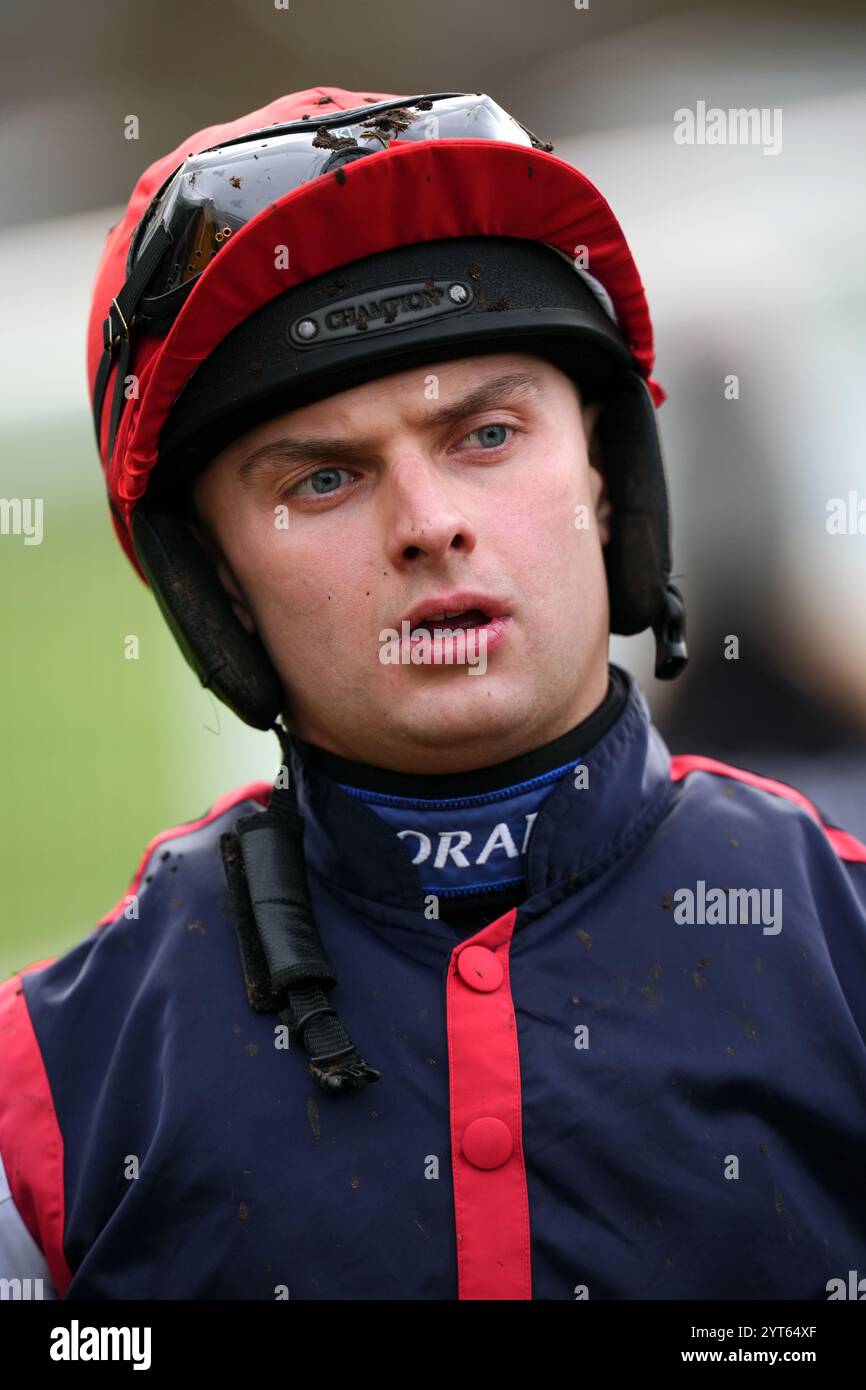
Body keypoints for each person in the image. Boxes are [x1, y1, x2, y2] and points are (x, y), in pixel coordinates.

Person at [1, 86, 864, 1303]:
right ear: (220, 591)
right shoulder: (45, 1091)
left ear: (608, 481)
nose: (429, 525)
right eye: (320, 478)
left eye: (487, 435)